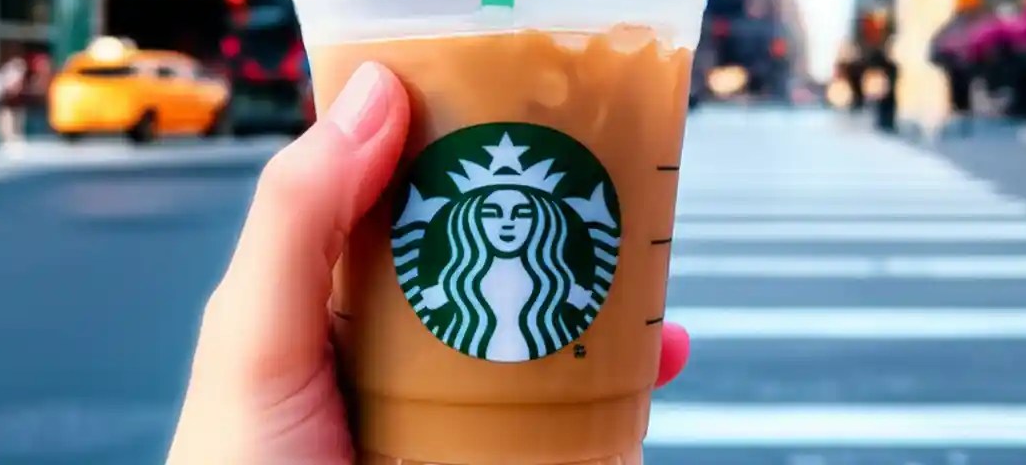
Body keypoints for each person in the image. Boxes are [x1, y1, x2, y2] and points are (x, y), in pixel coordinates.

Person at [165, 62, 690, 464]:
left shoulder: (557, 297)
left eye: (522, 211)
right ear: (466, 221)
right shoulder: (457, 294)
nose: (506, 223)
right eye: (491, 210)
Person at [0, 54, 28, 149]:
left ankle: (11, 137)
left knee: (13, 119)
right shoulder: (11, 73)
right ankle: (7, 138)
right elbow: (11, 87)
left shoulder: (11, 73)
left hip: (14, 103)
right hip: (7, 102)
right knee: (6, 120)